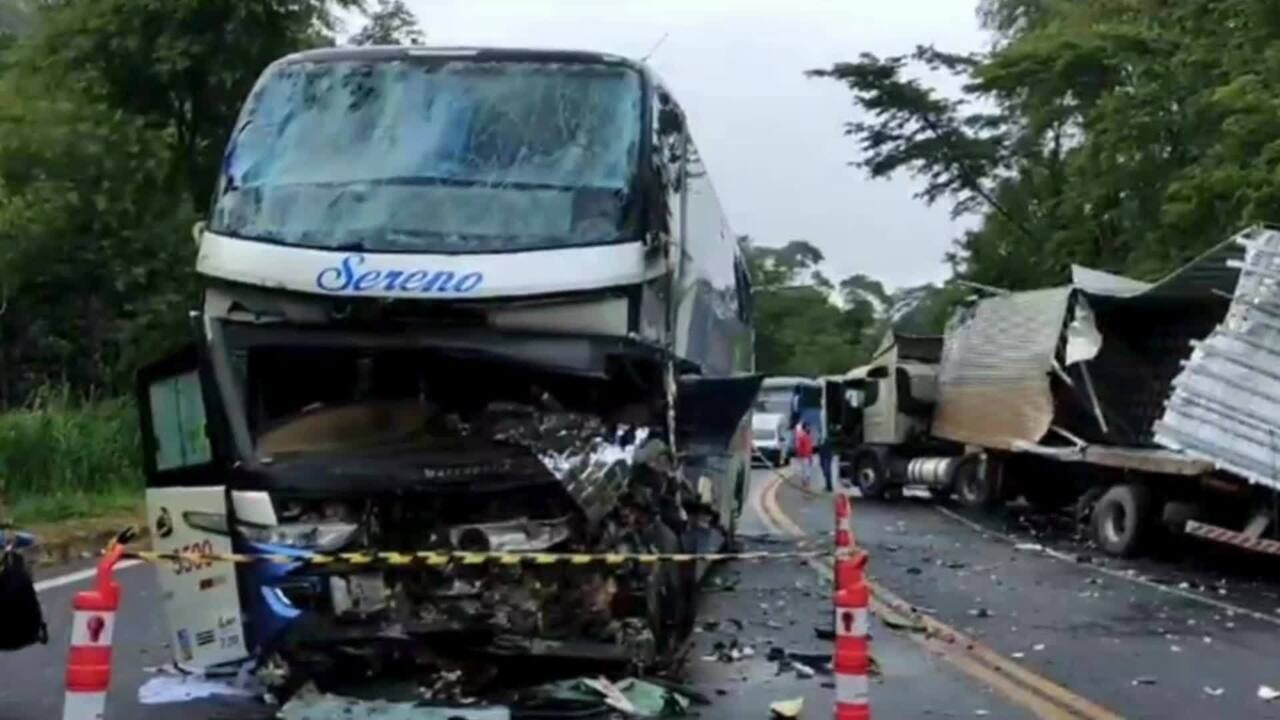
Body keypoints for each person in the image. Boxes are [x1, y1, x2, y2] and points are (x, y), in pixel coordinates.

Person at [794, 421, 815, 488]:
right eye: (807, 426)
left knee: (807, 469)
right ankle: (805, 482)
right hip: (804, 456)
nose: (809, 428)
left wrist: (810, 456)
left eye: (809, 426)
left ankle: (806, 482)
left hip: (807, 456)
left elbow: (810, 447)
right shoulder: (802, 436)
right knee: (805, 469)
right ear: (804, 428)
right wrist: (799, 455)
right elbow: (799, 447)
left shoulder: (808, 436)